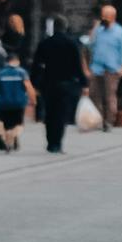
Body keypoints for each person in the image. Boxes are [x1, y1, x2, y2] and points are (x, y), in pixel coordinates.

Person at [31, 15, 85, 153]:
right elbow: (77, 65)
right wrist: (83, 82)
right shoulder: (72, 44)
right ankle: (57, 143)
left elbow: (36, 64)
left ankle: (50, 142)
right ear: (65, 27)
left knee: (49, 113)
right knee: (61, 114)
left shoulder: (45, 43)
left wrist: (34, 82)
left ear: (54, 27)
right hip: (66, 83)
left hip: (48, 83)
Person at [85, 1, 122, 131]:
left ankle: (109, 121)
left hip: (112, 68)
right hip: (96, 67)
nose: (103, 18)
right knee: (94, 95)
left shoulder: (121, 32)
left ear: (113, 16)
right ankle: (97, 120)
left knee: (109, 96)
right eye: (102, 15)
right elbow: (89, 45)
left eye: (106, 15)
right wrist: (95, 28)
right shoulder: (98, 31)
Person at [0, 39, 31, 149]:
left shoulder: (1, 73)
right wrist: (33, 100)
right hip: (19, 103)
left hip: (3, 103)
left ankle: (8, 138)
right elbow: (29, 87)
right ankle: (13, 135)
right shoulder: (22, 72)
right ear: (17, 61)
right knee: (19, 124)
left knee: (7, 124)